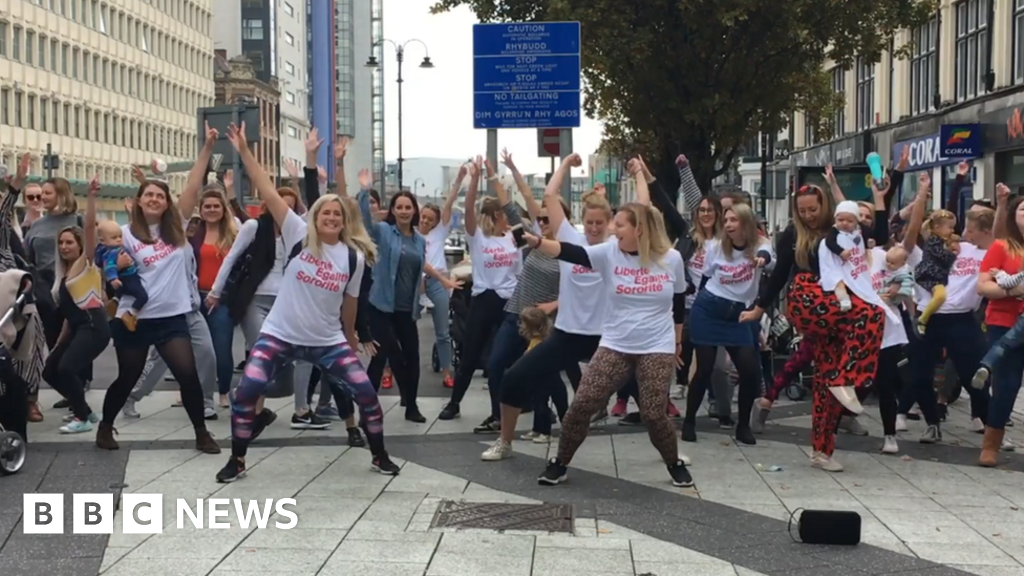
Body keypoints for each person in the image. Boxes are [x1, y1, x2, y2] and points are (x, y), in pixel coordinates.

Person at [216, 122, 395, 482]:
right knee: (247, 390)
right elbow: (267, 192)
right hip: (279, 334)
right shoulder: (297, 233)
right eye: (325, 212)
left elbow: (350, 307)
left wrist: (349, 339)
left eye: (337, 214)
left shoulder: (352, 259)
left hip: (327, 340)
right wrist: (245, 152)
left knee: (366, 395)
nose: (330, 217)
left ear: (344, 222)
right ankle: (236, 459)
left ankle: (379, 455)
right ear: (314, 217)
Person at [522, 198, 692, 488]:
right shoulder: (609, 253)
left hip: (656, 345)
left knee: (653, 413)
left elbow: (677, 302)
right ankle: (560, 462)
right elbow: (569, 251)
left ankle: (673, 463)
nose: (613, 230)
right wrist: (538, 242)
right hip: (616, 344)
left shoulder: (671, 259)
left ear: (639, 229)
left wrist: (677, 340)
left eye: (620, 225)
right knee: (583, 404)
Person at [741, 180, 885, 472]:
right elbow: (779, 275)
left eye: (813, 210)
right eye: (802, 210)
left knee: (825, 378)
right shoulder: (794, 235)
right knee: (872, 314)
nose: (808, 215)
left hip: (839, 301)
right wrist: (758, 308)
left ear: (825, 207)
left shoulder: (845, 229)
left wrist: (881, 199)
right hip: (808, 296)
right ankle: (845, 378)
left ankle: (822, 449)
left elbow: (879, 234)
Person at [96, 124, 221, 454]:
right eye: (148, 194)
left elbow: (194, 186)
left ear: (167, 203)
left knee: (187, 374)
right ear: (137, 202)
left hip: (171, 316)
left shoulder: (176, 227)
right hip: (133, 319)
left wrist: (206, 148)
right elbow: (95, 254)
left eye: (160, 195)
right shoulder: (124, 233)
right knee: (128, 377)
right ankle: (105, 426)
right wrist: (115, 266)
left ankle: (201, 433)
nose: (154, 199)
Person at [481, 154, 611, 460]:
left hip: (606, 338)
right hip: (567, 333)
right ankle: (505, 441)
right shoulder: (570, 239)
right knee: (513, 378)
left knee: (648, 389)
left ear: (608, 223)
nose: (593, 228)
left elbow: (643, 214)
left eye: (599, 223)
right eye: (589, 222)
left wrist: (642, 175)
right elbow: (549, 196)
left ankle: (670, 453)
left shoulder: (615, 247)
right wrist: (565, 164)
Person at [358, 168, 455, 423]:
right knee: (385, 356)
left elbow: (419, 272)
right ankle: (367, 409)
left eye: (407, 207)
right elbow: (364, 222)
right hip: (380, 306)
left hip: (406, 309)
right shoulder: (382, 232)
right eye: (398, 207)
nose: (403, 211)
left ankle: (411, 406)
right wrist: (365, 191)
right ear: (393, 210)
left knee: (411, 357)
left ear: (414, 211)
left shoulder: (419, 241)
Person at [439, 156, 524, 421]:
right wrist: (474, 179)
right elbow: (468, 212)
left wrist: (494, 174)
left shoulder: (515, 237)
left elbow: (516, 213)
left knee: (506, 358)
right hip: (484, 299)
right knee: (470, 354)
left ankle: (506, 408)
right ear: (495, 216)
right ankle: (454, 403)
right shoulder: (478, 239)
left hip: (510, 301)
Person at [682, 202, 773, 446]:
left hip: (740, 315)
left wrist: (761, 260)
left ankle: (742, 425)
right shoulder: (715, 247)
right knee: (705, 368)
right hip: (710, 308)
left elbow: (769, 257)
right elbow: (706, 277)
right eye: (728, 220)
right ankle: (689, 420)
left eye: (735, 220)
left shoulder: (760, 246)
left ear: (746, 223)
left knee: (750, 370)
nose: (730, 225)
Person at [44, 176, 110, 434]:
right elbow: (69, 317)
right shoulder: (63, 273)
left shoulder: (86, 264)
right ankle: (85, 410)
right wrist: (60, 344)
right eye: (61, 243)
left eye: (69, 242)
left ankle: (81, 417)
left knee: (68, 368)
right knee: (50, 370)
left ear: (80, 245)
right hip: (78, 328)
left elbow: (91, 228)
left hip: (95, 327)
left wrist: (91, 196)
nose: (63, 247)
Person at [973, 191, 1024, 466]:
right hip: (1004, 323)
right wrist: (1014, 290)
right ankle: (991, 443)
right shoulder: (1002, 247)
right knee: (1006, 387)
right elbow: (983, 286)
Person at [418, 168, 465, 389]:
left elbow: (449, 203)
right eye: (423, 217)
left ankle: (447, 371)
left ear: (437, 222)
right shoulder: (410, 234)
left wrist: (459, 179)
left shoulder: (439, 233)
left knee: (443, 332)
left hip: (437, 282)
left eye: (430, 219)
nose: (425, 221)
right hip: (414, 284)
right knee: (400, 328)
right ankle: (390, 370)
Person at [96, 220, 149, 330]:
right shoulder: (111, 252)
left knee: (121, 291)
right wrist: (113, 278)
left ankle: (115, 300)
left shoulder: (113, 249)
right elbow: (109, 266)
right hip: (128, 278)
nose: (119, 239)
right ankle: (130, 314)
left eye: (120, 236)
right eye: (114, 237)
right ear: (102, 240)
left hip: (126, 278)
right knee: (142, 296)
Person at [914, 210, 960, 333]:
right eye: (950, 227)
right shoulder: (933, 241)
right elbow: (942, 257)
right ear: (937, 227)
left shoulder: (939, 241)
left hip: (935, 274)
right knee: (940, 296)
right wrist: (953, 253)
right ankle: (922, 319)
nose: (952, 231)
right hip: (930, 274)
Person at [822, 201, 868, 311]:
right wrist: (840, 251)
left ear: (856, 222)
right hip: (837, 267)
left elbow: (869, 238)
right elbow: (830, 242)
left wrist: (869, 242)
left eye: (850, 221)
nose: (845, 223)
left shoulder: (858, 233)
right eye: (840, 220)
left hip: (854, 267)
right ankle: (844, 299)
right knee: (839, 283)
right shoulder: (834, 231)